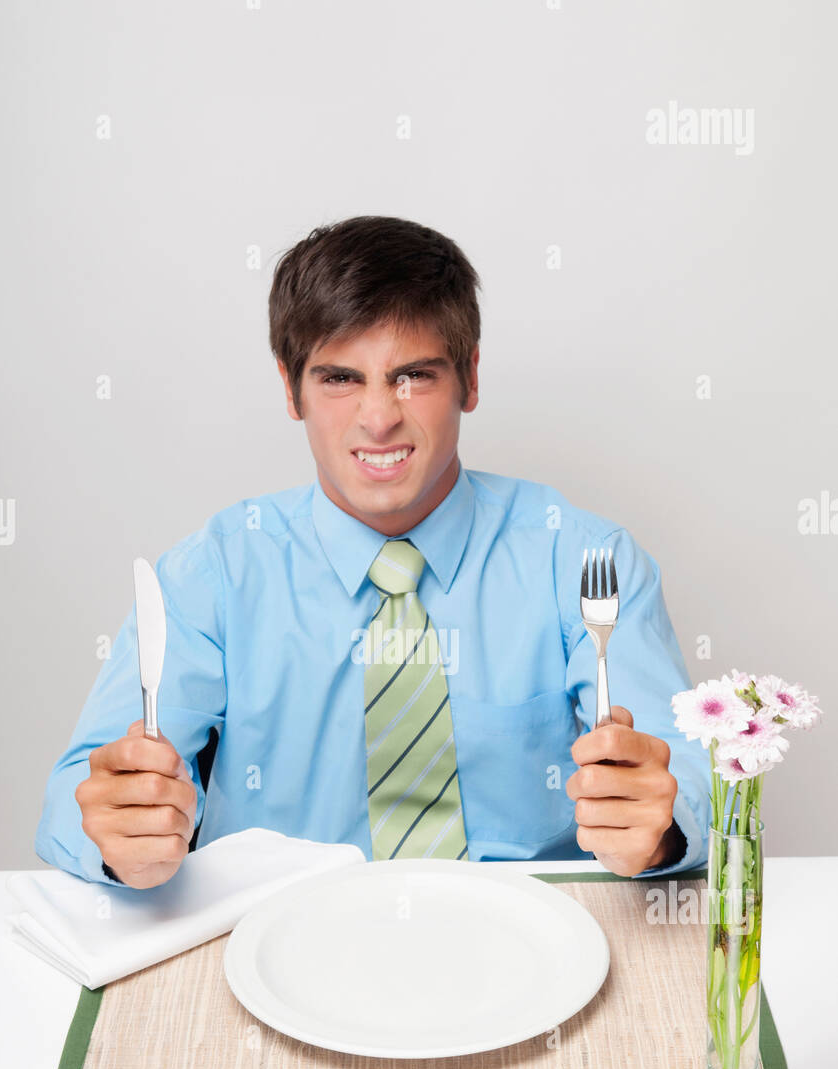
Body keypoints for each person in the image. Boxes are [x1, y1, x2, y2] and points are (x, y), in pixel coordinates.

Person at [36, 215, 710, 890]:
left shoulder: (587, 562)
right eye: (340, 379)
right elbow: (73, 802)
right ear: (290, 388)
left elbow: (698, 785)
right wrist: (118, 835)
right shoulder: (211, 578)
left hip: (528, 940)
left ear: (469, 380)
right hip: (273, 936)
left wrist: (662, 827)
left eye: (413, 375)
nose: (379, 416)